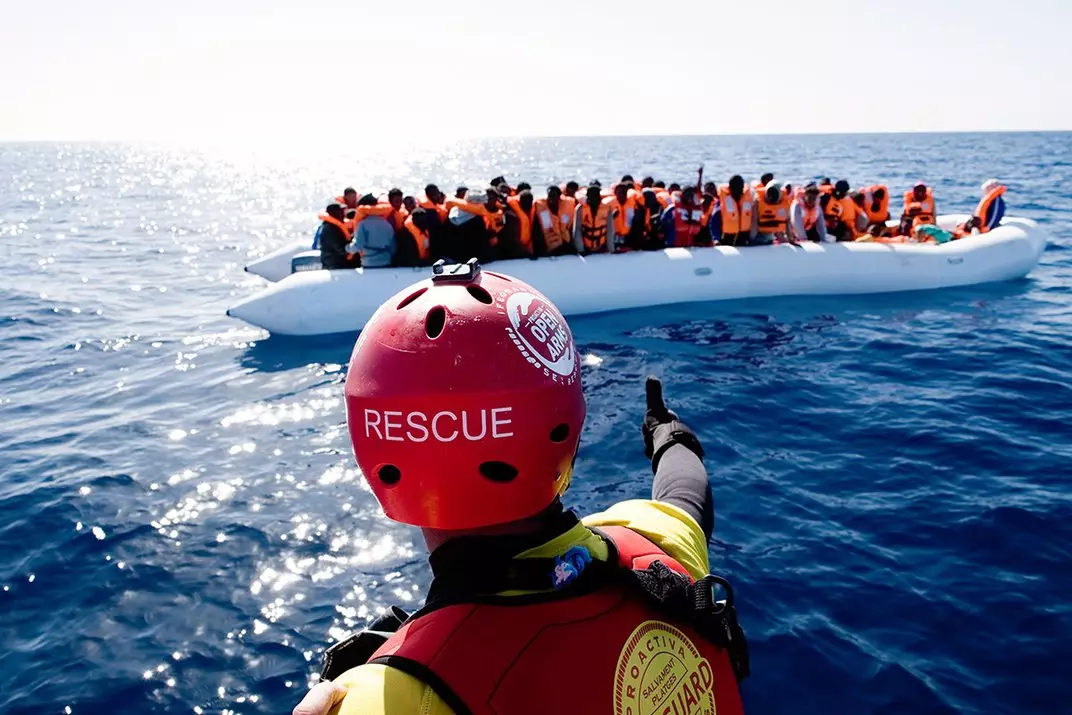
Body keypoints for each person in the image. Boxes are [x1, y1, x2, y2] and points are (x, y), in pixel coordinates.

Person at [291, 267, 749, 715]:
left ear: (375, 447)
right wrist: (668, 433)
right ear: (564, 419)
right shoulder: (652, 543)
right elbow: (686, 492)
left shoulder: (393, 696)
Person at [352, 194, 397, 268]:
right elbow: (393, 248)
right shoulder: (387, 224)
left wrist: (347, 248)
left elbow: (358, 246)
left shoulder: (362, 224)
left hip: (368, 264)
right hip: (386, 263)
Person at [533, 185, 576, 256]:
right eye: (549, 196)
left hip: (566, 246)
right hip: (550, 247)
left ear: (559, 197)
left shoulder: (568, 206)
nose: (551, 198)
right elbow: (537, 232)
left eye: (554, 196)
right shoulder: (541, 209)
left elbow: (571, 227)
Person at [574, 184, 614, 254]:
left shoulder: (607, 208)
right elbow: (577, 230)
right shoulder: (580, 209)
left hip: (601, 246)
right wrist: (581, 249)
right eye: (590, 195)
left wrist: (610, 249)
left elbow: (610, 229)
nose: (593, 198)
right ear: (587, 196)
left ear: (599, 196)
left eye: (595, 195)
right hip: (585, 248)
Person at [718, 175, 756, 247]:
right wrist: (717, 237)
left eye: (741, 187)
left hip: (744, 234)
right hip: (727, 235)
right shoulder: (722, 199)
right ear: (730, 188)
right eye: (737, 188)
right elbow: (715, 219)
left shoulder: (749, 196)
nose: (740, 190)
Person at [317, 202, 357, 269]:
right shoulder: (330, 229)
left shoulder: (333, 227)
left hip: (337, 261)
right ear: (334, 213)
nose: (343, 213)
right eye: (340, 211)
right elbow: (340, 248)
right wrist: (355, 247)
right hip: (334, 264)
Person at [501, 189, 537, 259]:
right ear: (520, 202)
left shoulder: (533, 212)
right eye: (524, 203)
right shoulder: (511, 214)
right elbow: (512, 239)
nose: (527, 205)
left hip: (525, 248)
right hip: (513, 250)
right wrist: (526, 253)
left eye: (529, 203)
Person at [606, 182, 636, 252]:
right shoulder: (608, 204)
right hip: (612, 236)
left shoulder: (633, 204)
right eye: (619, 193)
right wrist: (611, 217)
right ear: (615, 193)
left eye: (624, 192)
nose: (622, 195)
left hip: (627, 236)